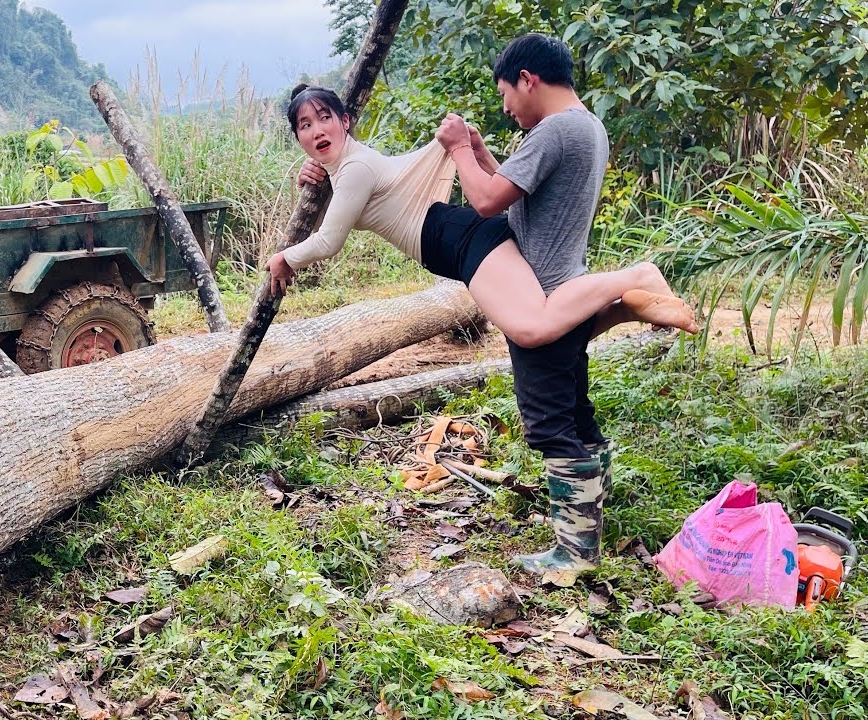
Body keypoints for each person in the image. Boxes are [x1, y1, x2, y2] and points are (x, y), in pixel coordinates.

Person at [268, 36, 693, 576]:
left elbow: (339, 237)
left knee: (536, 351)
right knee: (567, 382)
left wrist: (285, 256)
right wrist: (320, 178)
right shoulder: (580, 128)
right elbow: (478, 186)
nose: (314, 131)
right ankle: (624, 312)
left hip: (467, 241)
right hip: (495, 248)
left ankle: (577, 550)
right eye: (303, 126)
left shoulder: (556, 128)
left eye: (323, 118)